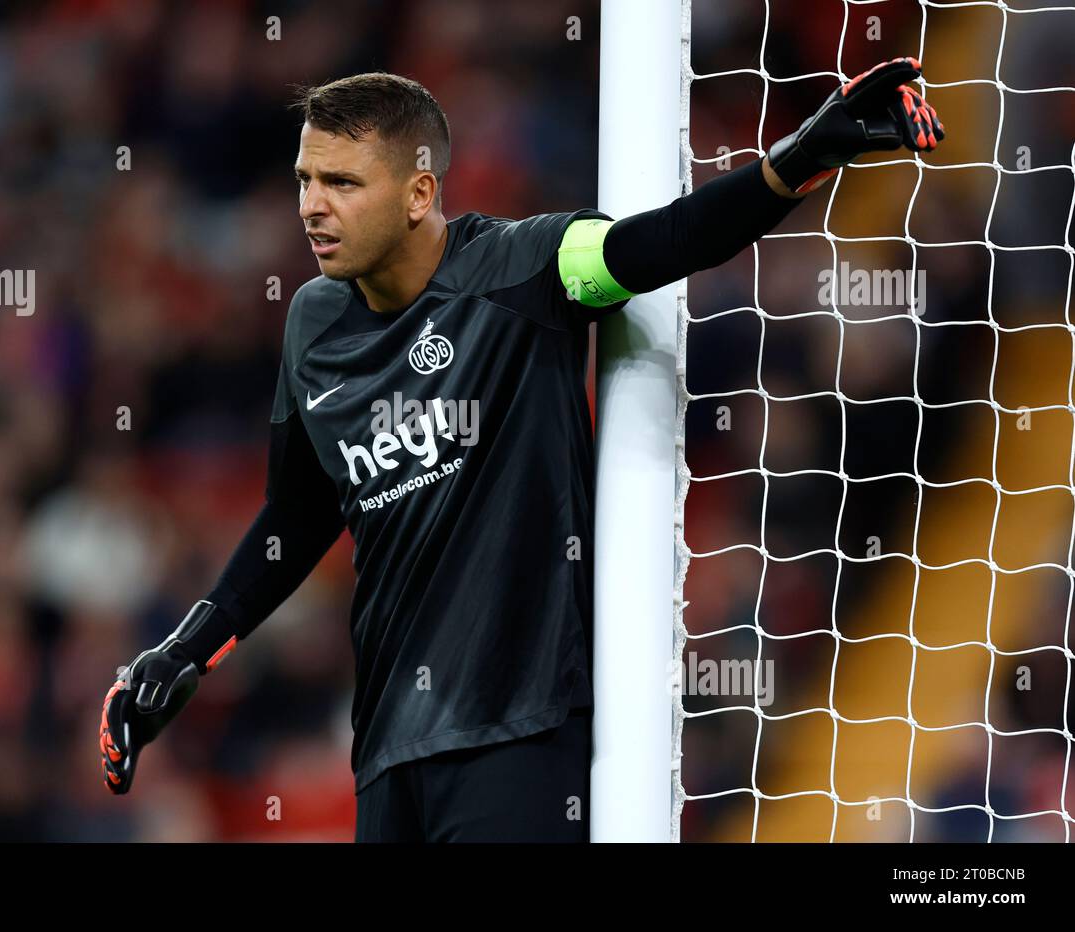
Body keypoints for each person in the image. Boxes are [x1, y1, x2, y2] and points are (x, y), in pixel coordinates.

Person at [99, 60, 943, 842]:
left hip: (521, 735)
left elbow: (667, 240)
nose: (311, 205)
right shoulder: (312, 325)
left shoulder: (524, 266)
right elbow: (298, 514)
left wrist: (797, 160)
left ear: (418, 191)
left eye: (342, 183)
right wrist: (184, 652)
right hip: (388, 751)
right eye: (304, 181)